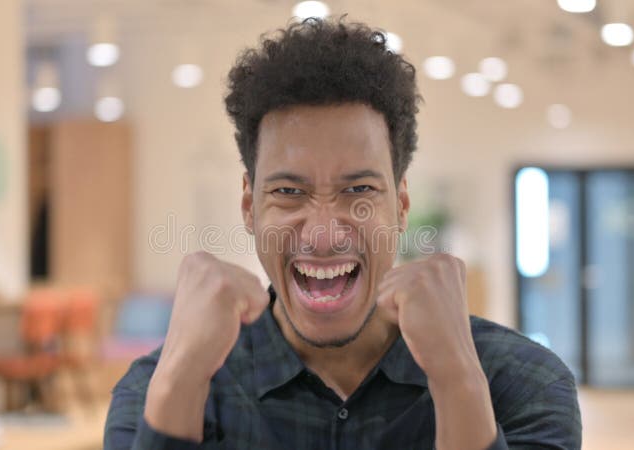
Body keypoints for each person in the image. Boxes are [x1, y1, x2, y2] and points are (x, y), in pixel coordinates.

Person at [104, 17, 581, 450]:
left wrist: (457, 382)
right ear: (249, 206)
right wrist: (182, 382)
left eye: (358, 189)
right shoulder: (158, 393)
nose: (324, 234)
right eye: (289, 191)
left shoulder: (522, 385)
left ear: (401, 205)